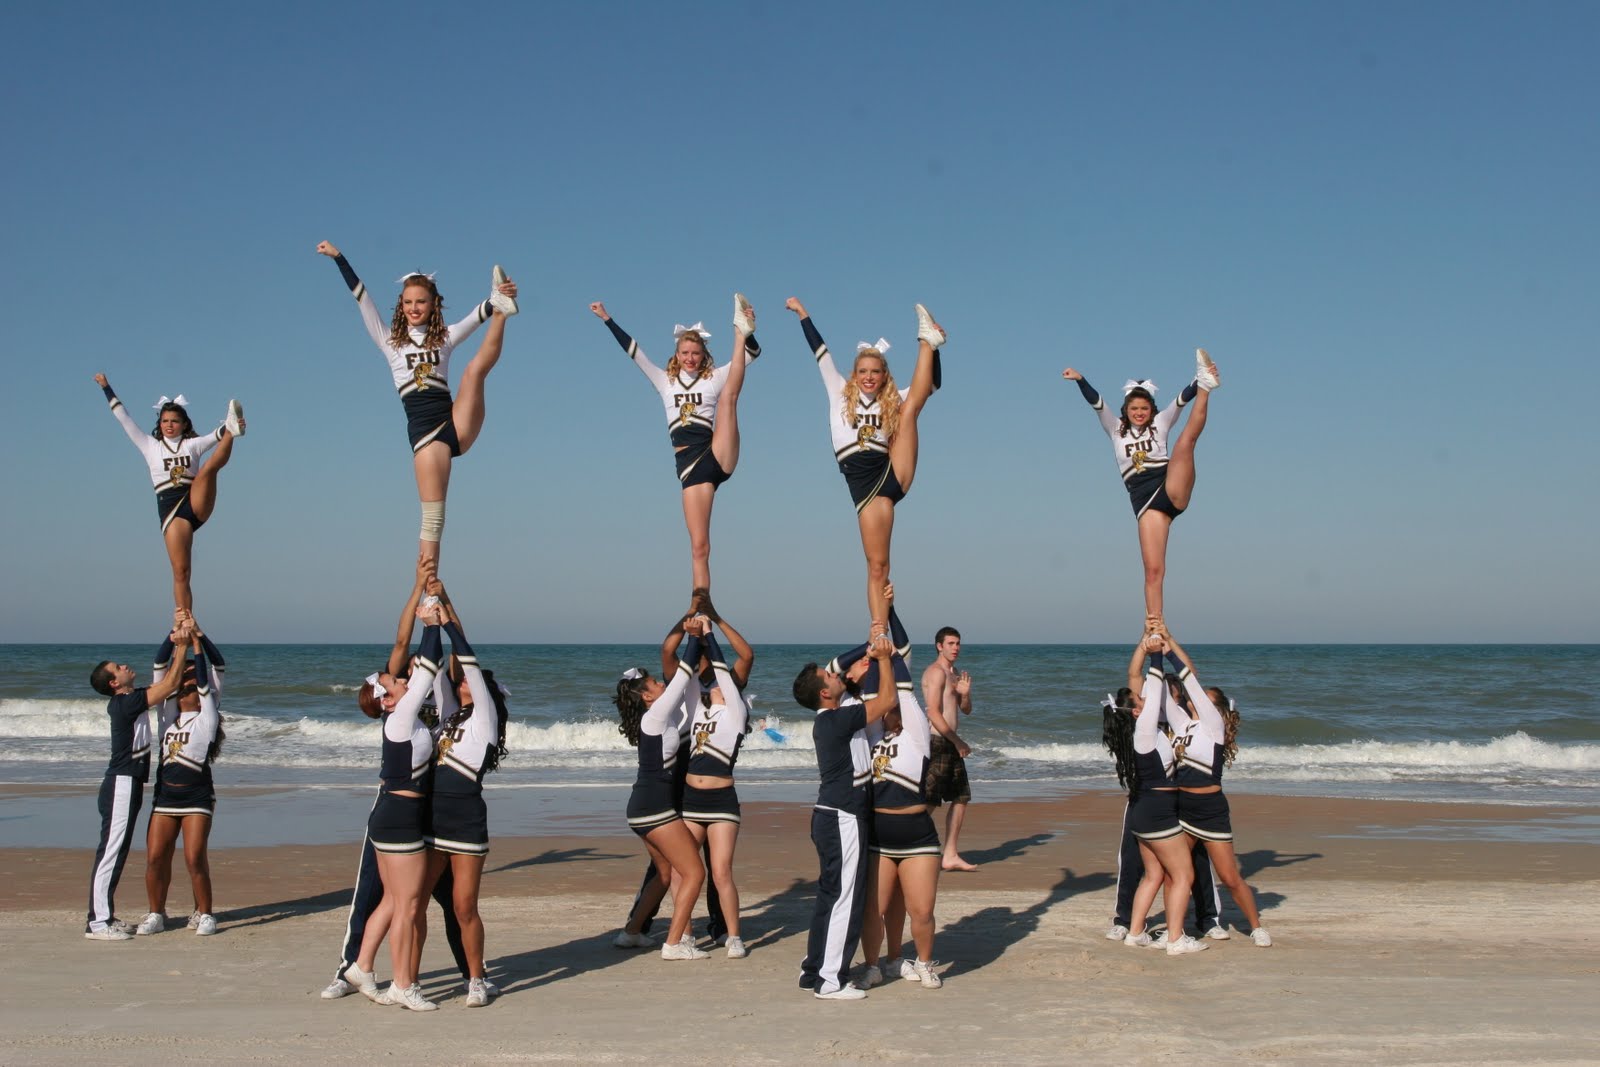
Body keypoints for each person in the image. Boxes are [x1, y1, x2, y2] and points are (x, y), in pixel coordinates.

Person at [322, 555, 477, 1003]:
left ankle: (472, 974)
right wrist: (418, 588)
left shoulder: (443, 683)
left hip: (435, 797)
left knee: (443, 895)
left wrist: (443, 599)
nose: (408, 665)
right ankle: (350, 967)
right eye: (403, 667)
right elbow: (402, 637)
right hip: (397, 798)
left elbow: (460, 642)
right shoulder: (399, 692)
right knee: (375, 888)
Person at [315, 240, 517, 563]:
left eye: (421, 301)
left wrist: (496, 300)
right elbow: (362, 298)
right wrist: (339, 258)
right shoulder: (390, 343)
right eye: (408, 302)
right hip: (427, 437)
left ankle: (505, 314)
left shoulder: (444, 337)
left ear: (433, 304)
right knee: (433, 518)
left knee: (474, 371)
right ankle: (428, 583)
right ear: (400, 305)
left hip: (457, 421)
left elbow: (476, 315)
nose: (414, 307)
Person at [786, 297, 946, 629]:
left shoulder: (892, 398)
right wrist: (803, 314)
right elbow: (820, 353)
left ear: (884, 375)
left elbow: (931, 385)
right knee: (878, 566)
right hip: (866, 488)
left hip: (892, 470)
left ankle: (926, 340)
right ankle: (878, 628)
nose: (869, 377)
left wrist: (936, 353)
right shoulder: (838, 391)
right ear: (854, 374)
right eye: (863, 371)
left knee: (910, 410)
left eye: (875, 372)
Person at [590, 298, 759, 593]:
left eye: (696, 353)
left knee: (728, 399)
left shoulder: (713, 378)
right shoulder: (664, 381)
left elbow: (753, 353)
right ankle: (700, 604)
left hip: (717, 451)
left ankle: (738, 330)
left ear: (703, 355)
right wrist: (607, 319)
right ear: (677, 354)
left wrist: (748, 335)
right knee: (699, 546)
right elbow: (634, 352)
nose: (690, 358)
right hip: (691, 469)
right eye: (685, 353)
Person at [615, 594, 753, 949]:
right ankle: (671, 935)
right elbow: (671, 654)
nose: (663, 683)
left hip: (683, 793)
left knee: (696, 868)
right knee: (681, 868)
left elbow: (745, 657)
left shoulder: (724, 695)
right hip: (670, 790)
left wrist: (711, 622)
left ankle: (712, 930)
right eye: (656, 684)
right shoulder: (680, 696)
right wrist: (693, 620)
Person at [1061, 351, 1218, 631]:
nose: (1139, 412)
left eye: (1144, 408)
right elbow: (1097, 404)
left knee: (1185, 443)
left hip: (1169, 485)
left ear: (1151, 409)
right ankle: (1155, 625)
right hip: (1146, 505)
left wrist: (1199, 381)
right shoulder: (1115, 430)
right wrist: (1080, 380)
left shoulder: (1160, 422)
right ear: (1126, 409)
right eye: (1134, 408)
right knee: (1153, 571)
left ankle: (1207, 386)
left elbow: (1182, 398)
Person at [351, 599, 454, 1010]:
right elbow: (426, 669)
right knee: (409, 906)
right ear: (388, 701)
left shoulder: (399, 720)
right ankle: (404, 985)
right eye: (393, 683)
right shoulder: (399, 718)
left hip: (390, 815)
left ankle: (361, 966)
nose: (400, 681)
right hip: (399, 818)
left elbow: (426, 674)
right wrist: (431, 625)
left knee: (394, 901)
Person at [793, 631, 898, 1000]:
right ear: (824, 692)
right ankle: (830, 981)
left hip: (833, 815)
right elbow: (888, 699)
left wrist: (868, 648)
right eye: (829, 677)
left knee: (829, 895)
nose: (835, 674)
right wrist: (882, 657)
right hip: (843, 816)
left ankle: (814, 969)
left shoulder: (836, 715)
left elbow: (839, 669)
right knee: (845, 898)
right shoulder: (836, 720)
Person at [425, 580, 511, 1005]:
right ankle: (412, 977)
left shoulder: (484, 721)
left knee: (463, 906)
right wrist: (440, 604)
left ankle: (477, 980)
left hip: (465, 820)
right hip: (430, 819)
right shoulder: (450, 716)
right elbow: (450, 663)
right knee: (419, 902)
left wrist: (447, 622)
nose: (461, 682)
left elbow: (469, 664)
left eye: (470, 684)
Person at [1158, 629, 1273, 946]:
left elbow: (1190, 681)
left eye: (1205, 698)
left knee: (1230, 877)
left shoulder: (1213, 727)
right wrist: (1155, 650)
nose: (1198, 698)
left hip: (1211, 812)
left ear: (1217, 709)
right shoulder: (1184, 724)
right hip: (1183, 809)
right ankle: (1174, 931)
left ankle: (1256, 926)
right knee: (1174, 874)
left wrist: (1169, 652)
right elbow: (1163, 695)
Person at [854, 593, 945, 990]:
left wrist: (889, 617)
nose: (887, 704)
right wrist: (876, 640)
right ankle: (877, 965)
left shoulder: (916, 734)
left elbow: (902, 675)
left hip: (916, 835)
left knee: (920, 910)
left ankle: (924, 963)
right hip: (878, 835)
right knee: (874, 911)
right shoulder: (872, 733)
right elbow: (874, 688)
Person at [93, 375, 245, 613]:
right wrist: (106, 387)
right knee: (181, 572)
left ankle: (234, 430)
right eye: (165, 421)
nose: (169, 425)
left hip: (195, 499)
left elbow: (215, 435)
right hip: (172, 513)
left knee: (208, 469)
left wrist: (231, 426)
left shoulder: (192, 445)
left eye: (174, 421)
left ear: (184, 424)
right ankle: (184, 620)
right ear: (160, 423)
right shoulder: (149, 445)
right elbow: (124, 418)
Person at [85, 613, 192, 939]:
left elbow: (164, 682)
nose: (124, 666)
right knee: (111, 851)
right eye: (117, 668)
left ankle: (104, 917)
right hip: (121, 783)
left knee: (116, 850)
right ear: (114, 683)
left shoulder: (130, 700)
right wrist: (183, 646)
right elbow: (170, 684)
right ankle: (97, 923)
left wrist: (173, 634)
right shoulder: (125, 704)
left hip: (128, 784)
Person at [1100, 669, 1225, 943]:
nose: (1168, 701)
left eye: (1174, 697)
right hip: (1148, 801)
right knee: (1132, 861)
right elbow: (1135, 674)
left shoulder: (1185, 722)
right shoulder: (1144, 723)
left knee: (1195, 860)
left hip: (1182, 801)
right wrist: (1149, 647)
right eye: (1165, 696)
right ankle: (1125, 921)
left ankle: (1207, 919)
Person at [615, 617, 711, 959]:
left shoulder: (658, 720)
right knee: (695, 872)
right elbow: (682, 676)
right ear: (646, 695)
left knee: (665, 873)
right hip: (655, 807)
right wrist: (695, 637)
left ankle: (631, 933)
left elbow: (684, 688)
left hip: (641, 807)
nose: (661, 683)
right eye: (655, 683)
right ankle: (674, 943)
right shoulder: (654, 717)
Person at [137, 614, 227, 936]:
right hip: (165, 797)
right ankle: (156, 913)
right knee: (155, 858)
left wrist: (196, 641)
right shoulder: (168, 717)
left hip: (196, 797)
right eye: (182, 684)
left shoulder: (207, 717)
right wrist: (174, 634)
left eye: (189, 684)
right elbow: (159, 666)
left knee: (194, 858)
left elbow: (207, 677)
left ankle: (205, 913)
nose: (184, 686)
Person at [1122, 634, 1208, 956]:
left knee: (1155, 874)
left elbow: (1187, 677)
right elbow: (1147, 681)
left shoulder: (1160, 729)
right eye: (1143, 699)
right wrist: (1153, 651)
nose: (1148, 699)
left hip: (1146, 810)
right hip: (1158, 810)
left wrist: (1161, 642)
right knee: (1183, 874)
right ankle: (1175, 940)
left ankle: (1135, 933)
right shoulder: (1146, 729)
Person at [680, 625, 750, 958]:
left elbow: (723, 671)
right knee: (684, 870)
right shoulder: (699, 710)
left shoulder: (735, 713)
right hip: (691, 800)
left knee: (721, 872)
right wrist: (694, 636)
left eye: (721, 685)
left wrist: (711, 635)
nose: (715, 686)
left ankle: (734, 936)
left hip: (721, 802)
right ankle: (685, 935)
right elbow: (690, 675)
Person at [921, 625, 977, 872]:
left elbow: (966, 710)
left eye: (958, 643)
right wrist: (957, 741)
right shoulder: (936, 672)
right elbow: (933, 712)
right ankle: (906, 845)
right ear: (939, 646)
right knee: (929, 800)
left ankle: (950, 854)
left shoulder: (954, 674)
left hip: (950, 742)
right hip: (938, 742)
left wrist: (965, 694)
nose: (956, 648)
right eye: (951, 643)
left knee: (961, 797)